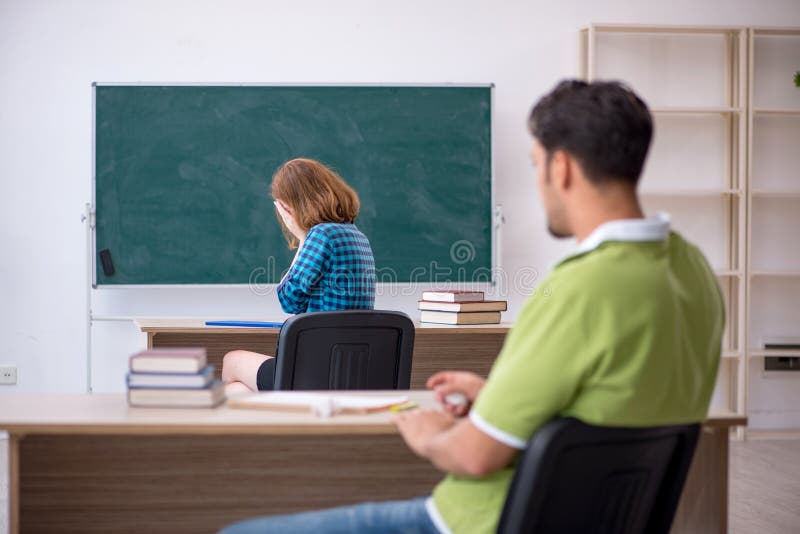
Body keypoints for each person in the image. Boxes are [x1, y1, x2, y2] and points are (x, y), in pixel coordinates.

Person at [218, 80, 725, 534]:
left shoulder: (579, 289)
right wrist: (493, 394)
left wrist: (428, 430)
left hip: (479, 519)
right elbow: (607, 408)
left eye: (534, 165)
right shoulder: (693, 272)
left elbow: (474, 455)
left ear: (562, 166)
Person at [221, 158, 376, 395]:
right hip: (350, 368)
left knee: (231, 361)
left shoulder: (321, 234)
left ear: (290, 206)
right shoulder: (357, 236)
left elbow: (288, 300)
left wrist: (302, 236)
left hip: (316, 369)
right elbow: (303, 300)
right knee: (237, 391)